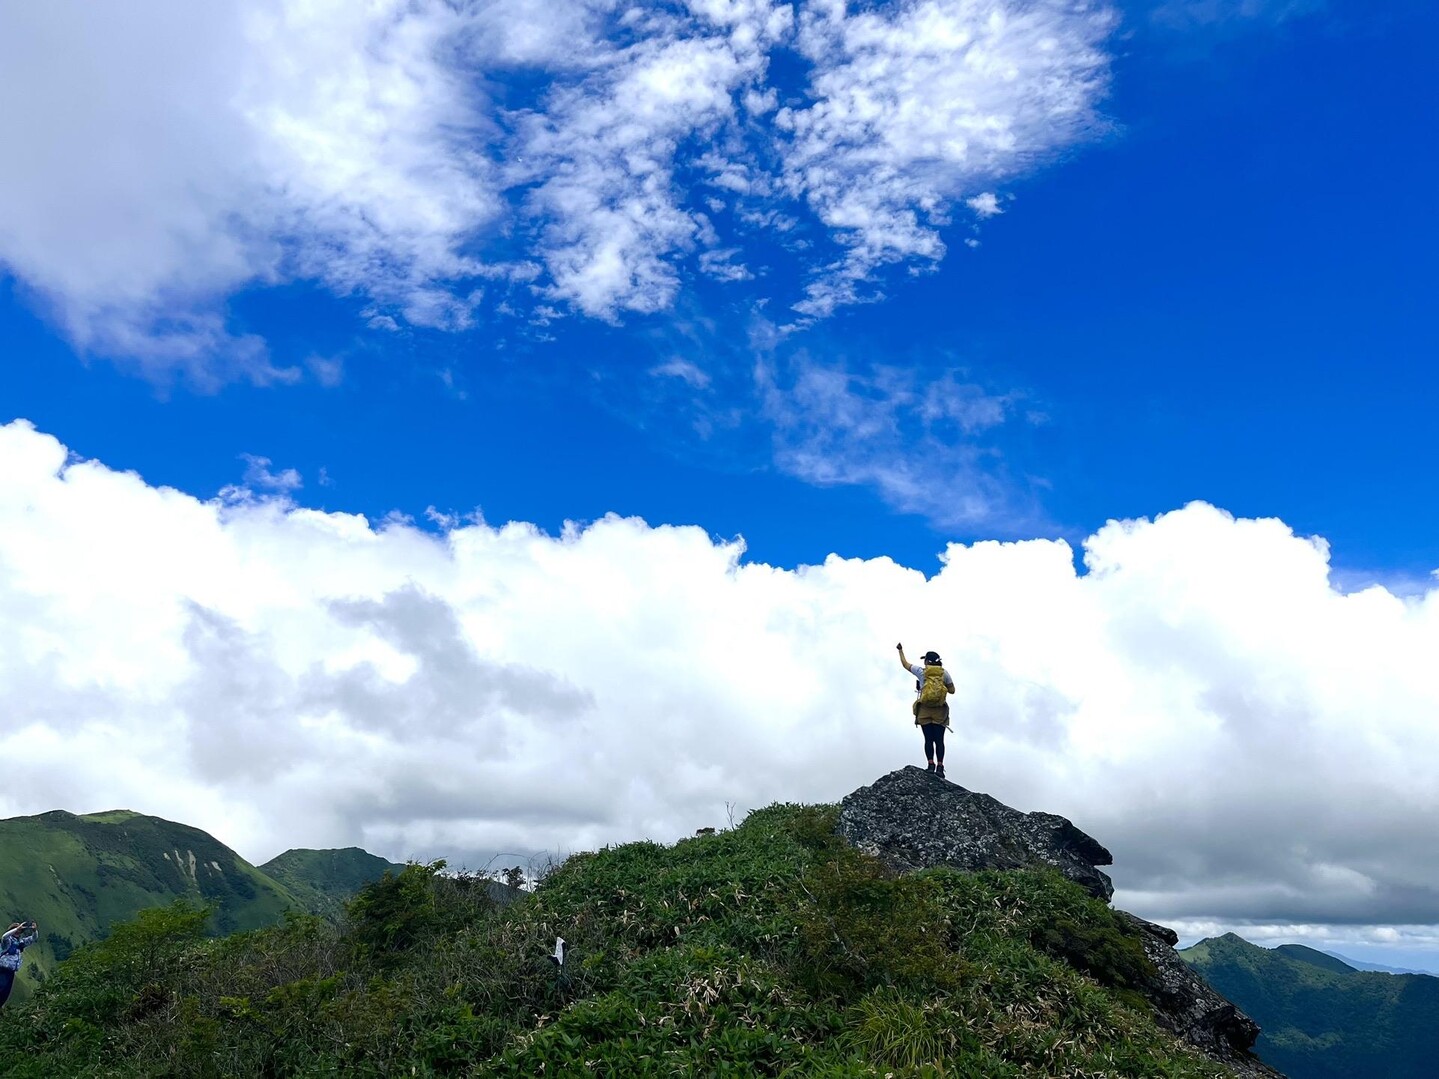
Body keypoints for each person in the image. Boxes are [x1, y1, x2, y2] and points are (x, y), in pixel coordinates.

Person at [896, 643, 954, 778]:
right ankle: (940, 767)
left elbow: (905, 664)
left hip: (924, 710)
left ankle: (930, 764)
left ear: (927, 661)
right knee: (939, 740)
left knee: (928, 739)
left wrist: (900, 650)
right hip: (940, 711)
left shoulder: (921, 671)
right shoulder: (944, 673)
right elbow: (952, 690)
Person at [0, 920, 37, 1007]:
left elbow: (33, 939)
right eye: (17, 930)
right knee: (1, 988)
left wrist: (34, 931)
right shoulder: (7, 941)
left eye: (20, 931)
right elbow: (4, 936)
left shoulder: (21, 943)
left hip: (11, 971)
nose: (18, 932)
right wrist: (16, 928)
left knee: (5, 992)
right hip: (3, 969)